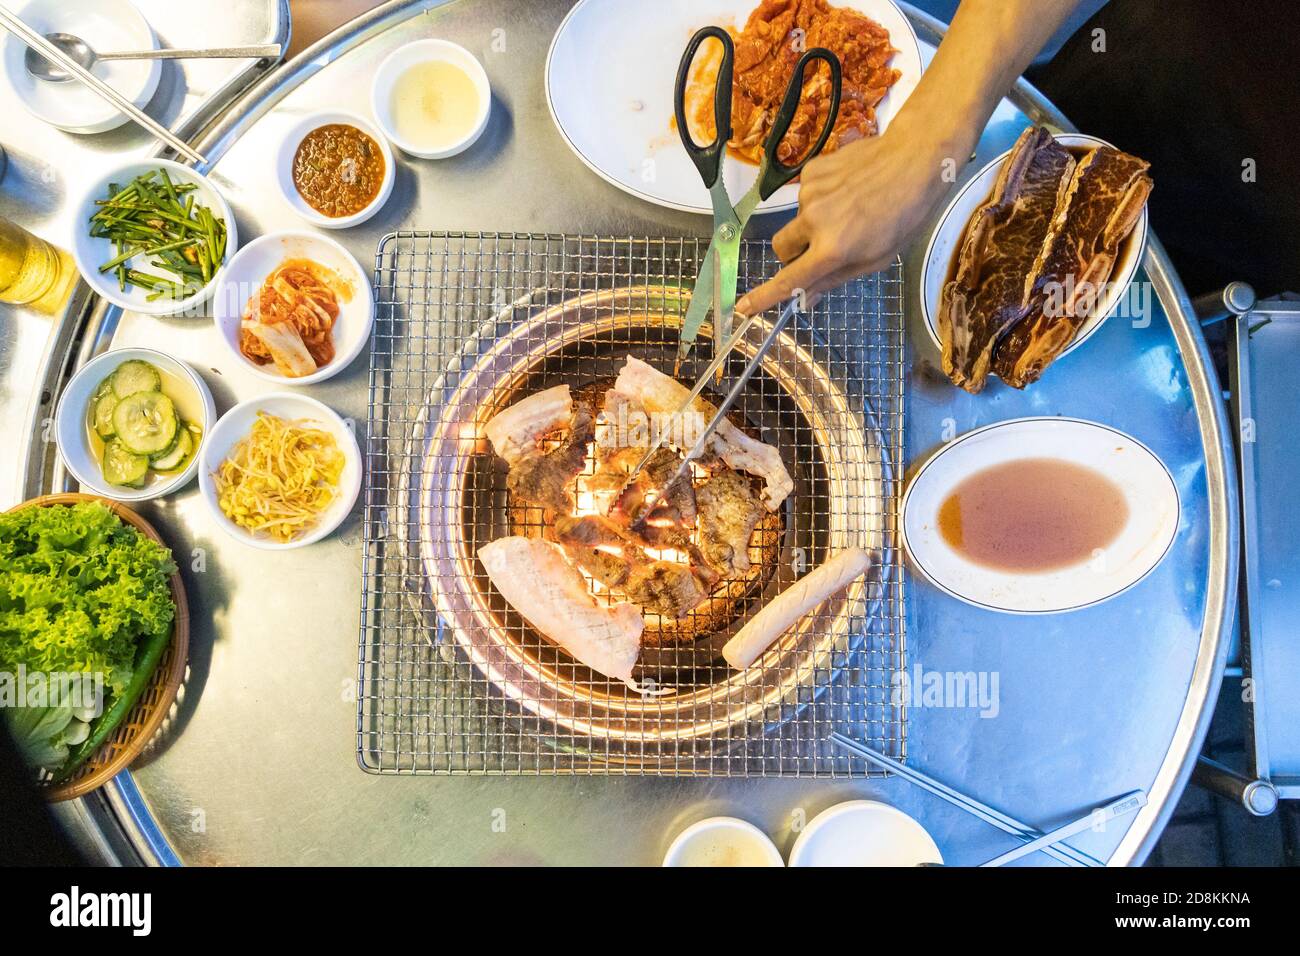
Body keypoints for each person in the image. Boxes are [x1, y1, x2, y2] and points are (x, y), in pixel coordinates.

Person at [738, 0, 1298, 317]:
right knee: (1028, 177)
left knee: (1125, 312)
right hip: (1178, 63)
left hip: (1270, 229)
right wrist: (926, 140)